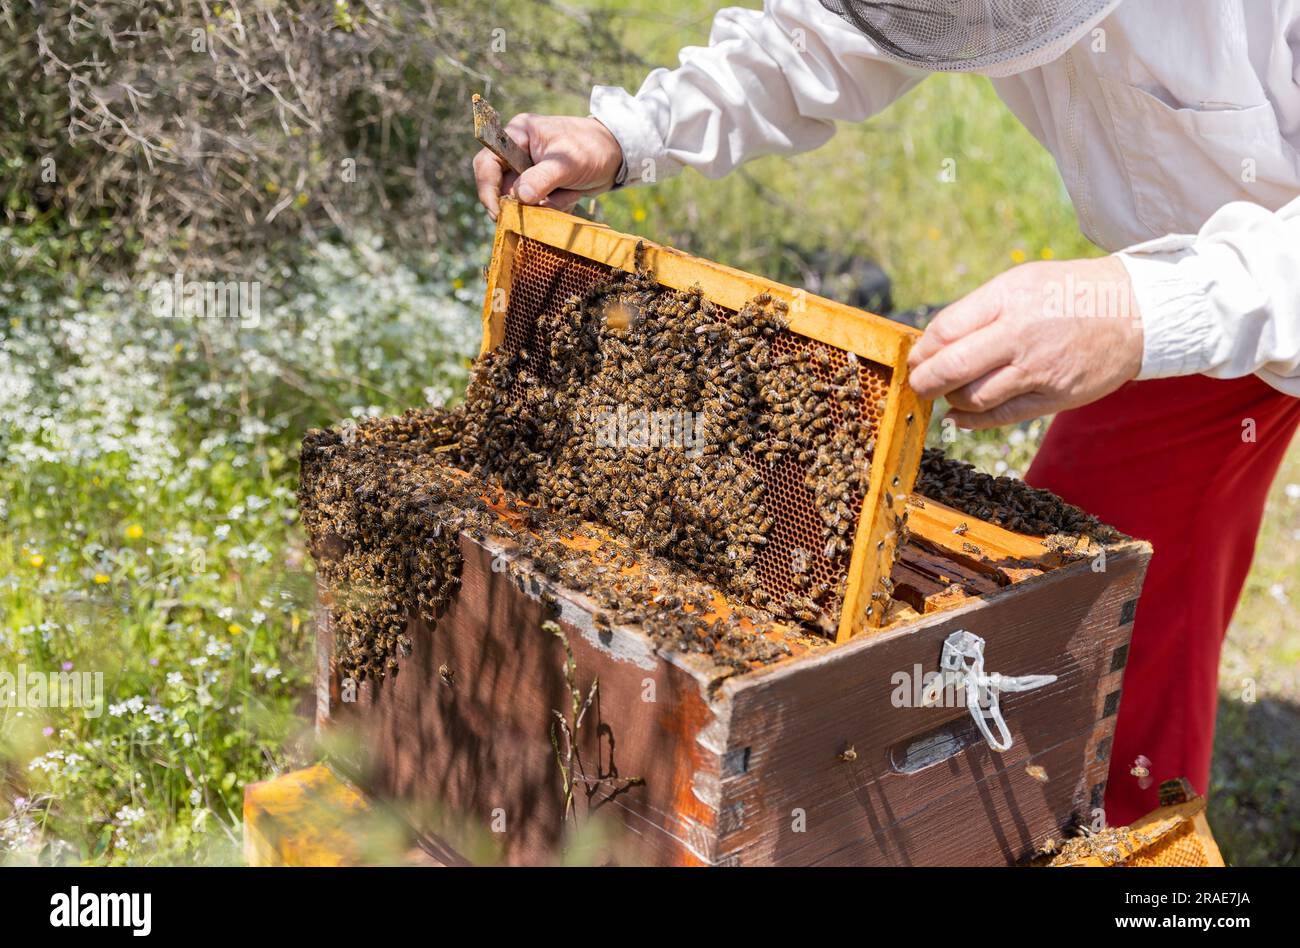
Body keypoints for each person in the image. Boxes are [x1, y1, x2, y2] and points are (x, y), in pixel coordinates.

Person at [472, 0, 1300, 826]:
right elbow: (824, 40)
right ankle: (1103, 825)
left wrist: (1139, 309)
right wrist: (631, 134)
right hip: (1180, 280)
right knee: (1078, 610)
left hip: (1219, 283)